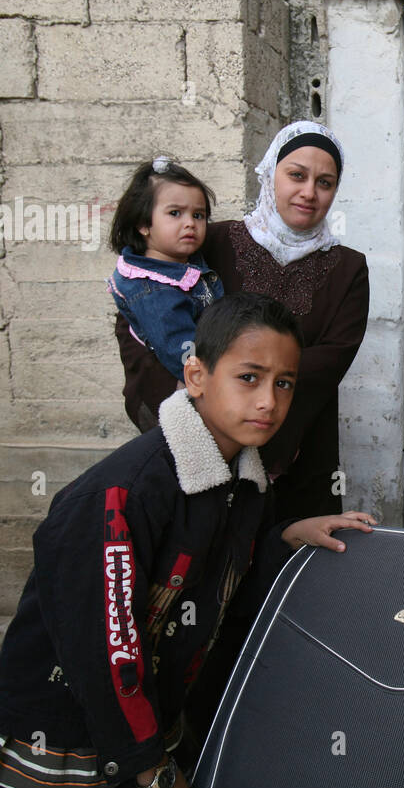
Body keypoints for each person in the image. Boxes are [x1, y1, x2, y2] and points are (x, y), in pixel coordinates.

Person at [0, 293, 376, 788]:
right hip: (60, 732)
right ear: (197, 376)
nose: (269, 401)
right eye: (249, 377)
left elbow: (222, 585)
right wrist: (151, 770)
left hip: (148, 724)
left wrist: (284, 539)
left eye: (284, 382)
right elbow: (105, 648)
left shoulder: (246, 480)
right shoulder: (124, 494)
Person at [115, 122, 368, 522]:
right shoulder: (211, 241)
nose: (309, 192)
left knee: (286, 562)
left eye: (325, 182)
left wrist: (253, 390)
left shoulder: (348, 268)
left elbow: (331, 360)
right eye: (296, 175)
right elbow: (144, 312)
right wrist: (202, 407)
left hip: (297, 444)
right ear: (271, 174)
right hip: (202, 439)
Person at [107, 157, 223, 384]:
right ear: (143, 223)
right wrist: (219, 381)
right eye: (175, 213)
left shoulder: (183, 264)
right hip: (196, 383)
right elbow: (182, 354)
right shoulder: (153, 291)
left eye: (198, 215)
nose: (190, 223)